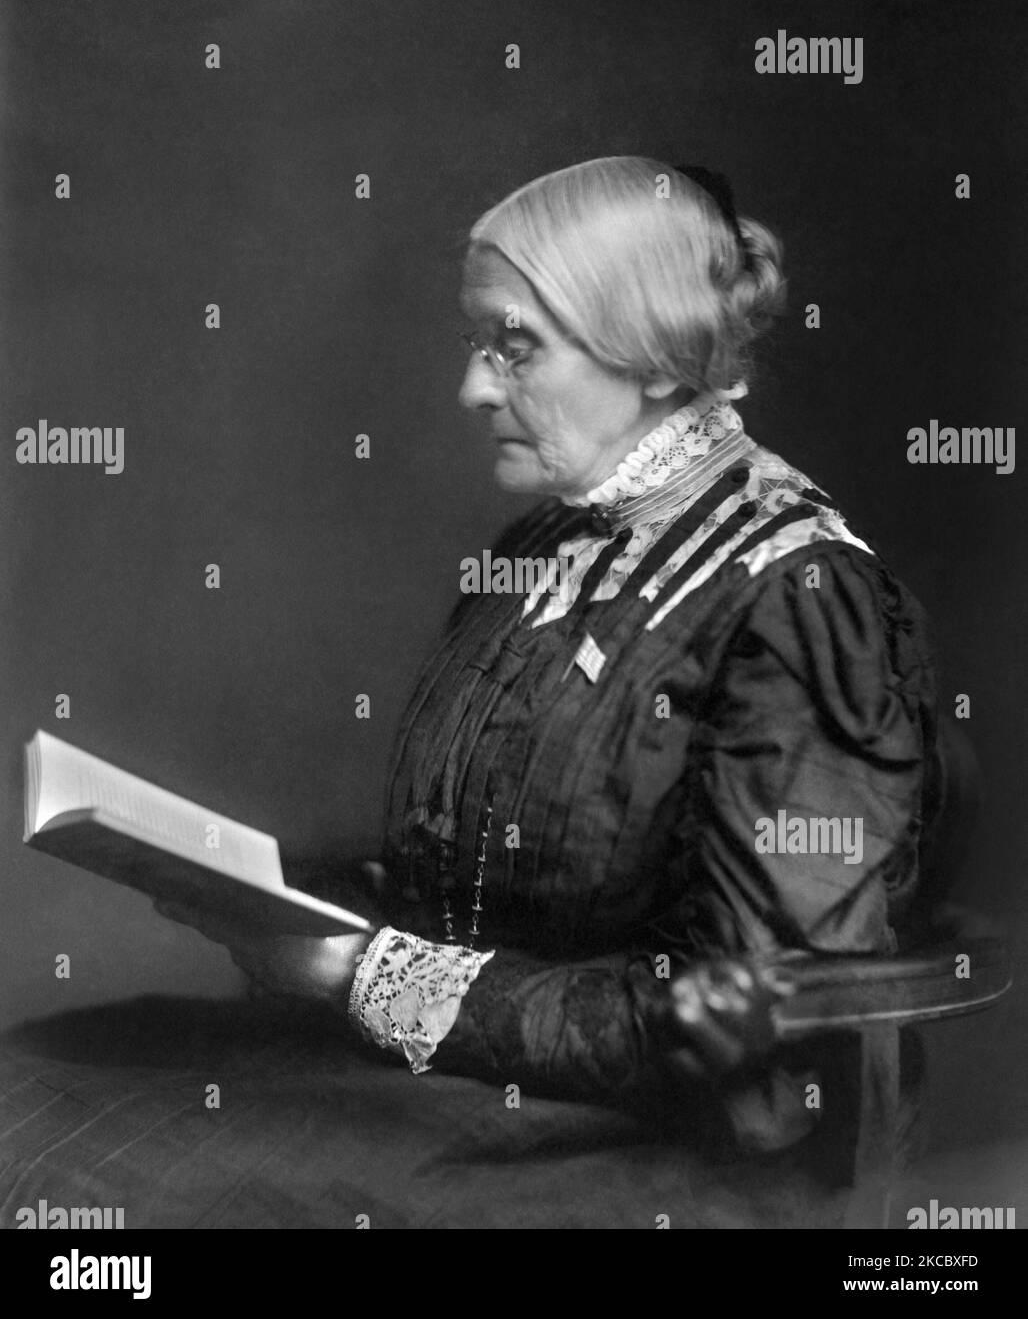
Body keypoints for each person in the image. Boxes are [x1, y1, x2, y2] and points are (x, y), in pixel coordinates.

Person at [158, 155, 938, 1159]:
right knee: (44, 1081)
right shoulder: (539, 547)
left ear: (657, 356)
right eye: (475, 342)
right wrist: (266, 896)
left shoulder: (802, 597)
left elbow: (749, 1012)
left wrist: (365, 975)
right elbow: (486, 887)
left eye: (513, 347)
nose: (471, 387)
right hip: (470, 1089)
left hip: (668, 1149)